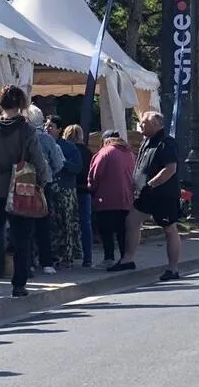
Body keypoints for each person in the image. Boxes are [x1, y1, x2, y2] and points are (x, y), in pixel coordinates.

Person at [0, 85, 51, 298]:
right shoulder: (26, 129)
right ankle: (18, 284)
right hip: (22, 187)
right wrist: (43, 181)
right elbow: (38, 158)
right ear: (22, 104)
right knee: (22, 238)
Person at [109, 112, 182, 280]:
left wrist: (151, 184)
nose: (140, 126)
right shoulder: (146, 142)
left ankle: (172, 268)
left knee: (169, 228)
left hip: (163, 195)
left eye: (144, 123)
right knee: (132, 221)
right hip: (144, 194)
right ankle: (127, 259)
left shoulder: (167, 143)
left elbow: (170, 169)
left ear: (156, 124)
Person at [88, 130, 135, 267]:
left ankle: (109, 258)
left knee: (106, 229)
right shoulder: (130, 154)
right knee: (122, 231)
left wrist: (92, 188)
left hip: (106, 198)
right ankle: (125, 258)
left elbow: (95, 175)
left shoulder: (104, 152)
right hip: (126, 198)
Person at [28, 105, 64, 275]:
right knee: (43, 224)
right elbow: (58, 164)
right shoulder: (47, 139)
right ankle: (46, 262)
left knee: (24, 225)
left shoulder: (20, 136)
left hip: (23, 183)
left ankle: (28, 261)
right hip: (44, 185)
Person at [46, 115, 81, 269]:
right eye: (46, 126)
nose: (47, 129)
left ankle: (67, 256)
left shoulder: (68, 147)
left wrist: (62, 162)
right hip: (48, 190)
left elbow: (77, 167)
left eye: (51, 126)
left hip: (65, 190)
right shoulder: (43, 143)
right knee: (51, 224)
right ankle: (52, 255)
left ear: (59, 129)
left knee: (67, 224)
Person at [64, 125, 94, 267]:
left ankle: (68, 256)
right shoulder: (88, 152)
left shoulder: (66, 150)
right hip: (84, 190)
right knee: (85, 224)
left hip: (69, 189)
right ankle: (87, 257)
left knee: (67, 223)